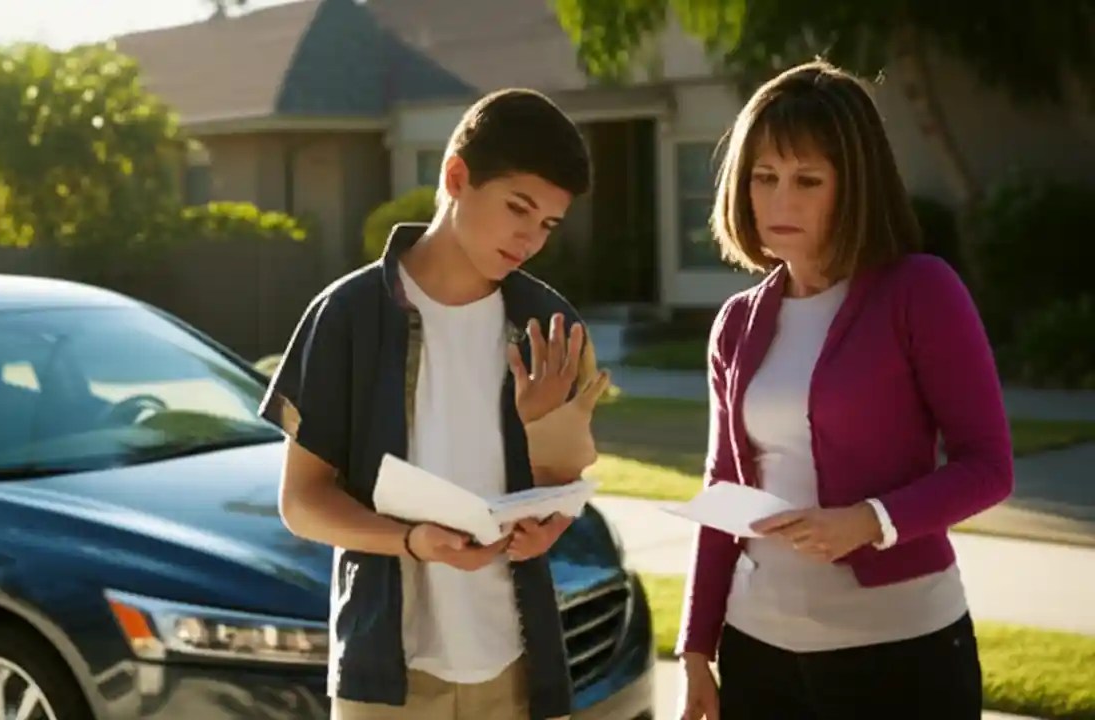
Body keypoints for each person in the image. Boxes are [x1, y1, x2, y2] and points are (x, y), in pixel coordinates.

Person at [675, 59, 1014, 720]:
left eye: (807, 180)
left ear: (853, 187)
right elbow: (722, 486)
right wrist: (695, 649)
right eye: (764, 177)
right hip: (759, 651)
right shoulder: (737, 322)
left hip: (899, 649)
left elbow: (989, 467)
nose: (780, 200)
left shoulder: (920, 291)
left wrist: (869, 522)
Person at [261, 87, 610, 720]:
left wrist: (550, 513)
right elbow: (302, 503)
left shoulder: (549, 324)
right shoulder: (347, 316)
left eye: (548, 225)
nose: (530, 238)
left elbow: (565, 486)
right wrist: (414, 541)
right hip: (385, 676)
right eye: (518, 209)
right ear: (456, 177)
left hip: (517, 667)